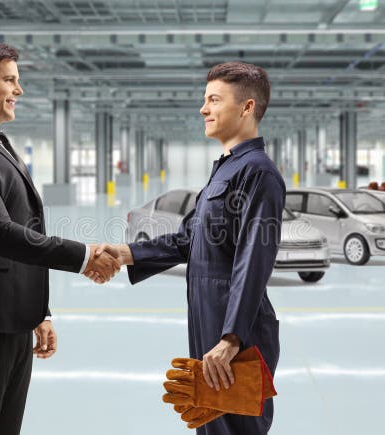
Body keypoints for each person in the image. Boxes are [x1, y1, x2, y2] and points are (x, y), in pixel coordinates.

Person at [0, 41, 120, 435]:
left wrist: (40, 312)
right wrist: (85, 256)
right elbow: (0, 234)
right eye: (10, 80)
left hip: (10, 322)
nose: (19, 90)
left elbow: (27, 230)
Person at [94, 61, 284, 434]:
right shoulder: (225, 169)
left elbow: (253, 260)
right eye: (205, 99)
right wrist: (126, 253)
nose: (203, 108)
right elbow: (189, 239)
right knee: (210, 425)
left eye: (214, 99)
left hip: (236, 330)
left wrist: (232, 338)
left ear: (246, 108)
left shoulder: (258, 172)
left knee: (237, 427)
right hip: (209, 321)